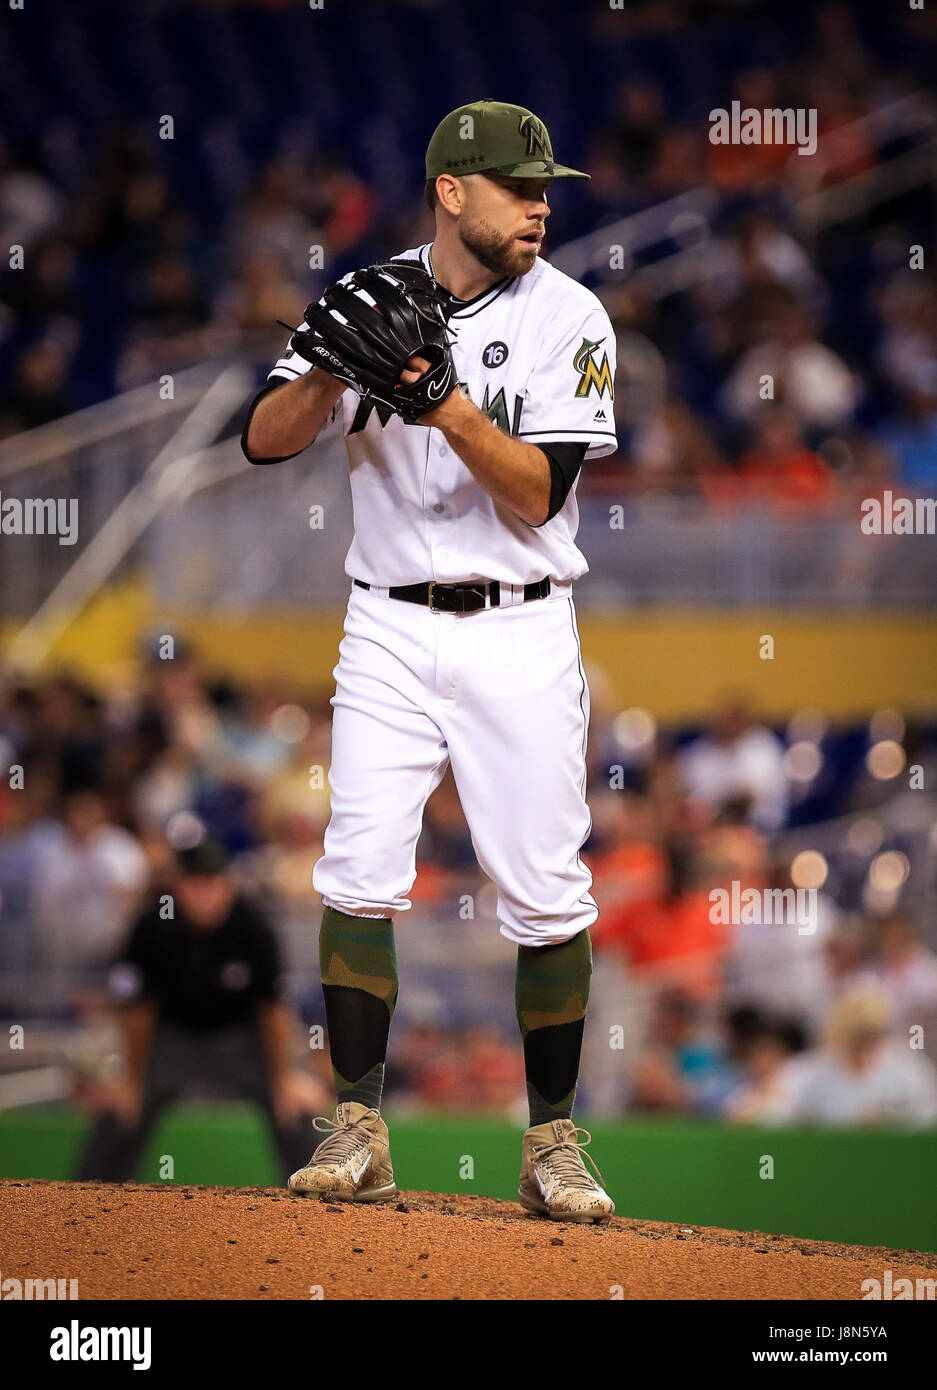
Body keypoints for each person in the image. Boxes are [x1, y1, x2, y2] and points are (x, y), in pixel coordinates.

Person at [242, 100, 618, 1222]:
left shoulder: (570, 317)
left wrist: (436, 398)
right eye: (515, 185)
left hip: (520, 623)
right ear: (450, 191)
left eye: (546, 185)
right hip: (388, 623)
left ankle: (552, 1141)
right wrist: (327, 365)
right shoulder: (371, 295)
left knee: (547, 895)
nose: (539, 204)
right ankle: (356, 1126)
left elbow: (537, 491)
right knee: (356, 870)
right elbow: (265, 438)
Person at [73, 840, 319, 1182]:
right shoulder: (153, 925)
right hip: (172, 1039)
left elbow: (272, 1010)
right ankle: (84, 1204)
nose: (205, 894)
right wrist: (132, 1080)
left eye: (214, 882)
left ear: (227, 883)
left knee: (294, 1108)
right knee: (122, 1111)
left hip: (241, 1040)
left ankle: (318, 1202)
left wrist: (284, 1078)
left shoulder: (253, 927)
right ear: (177, 885)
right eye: (195, 883)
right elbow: (136, 1010)